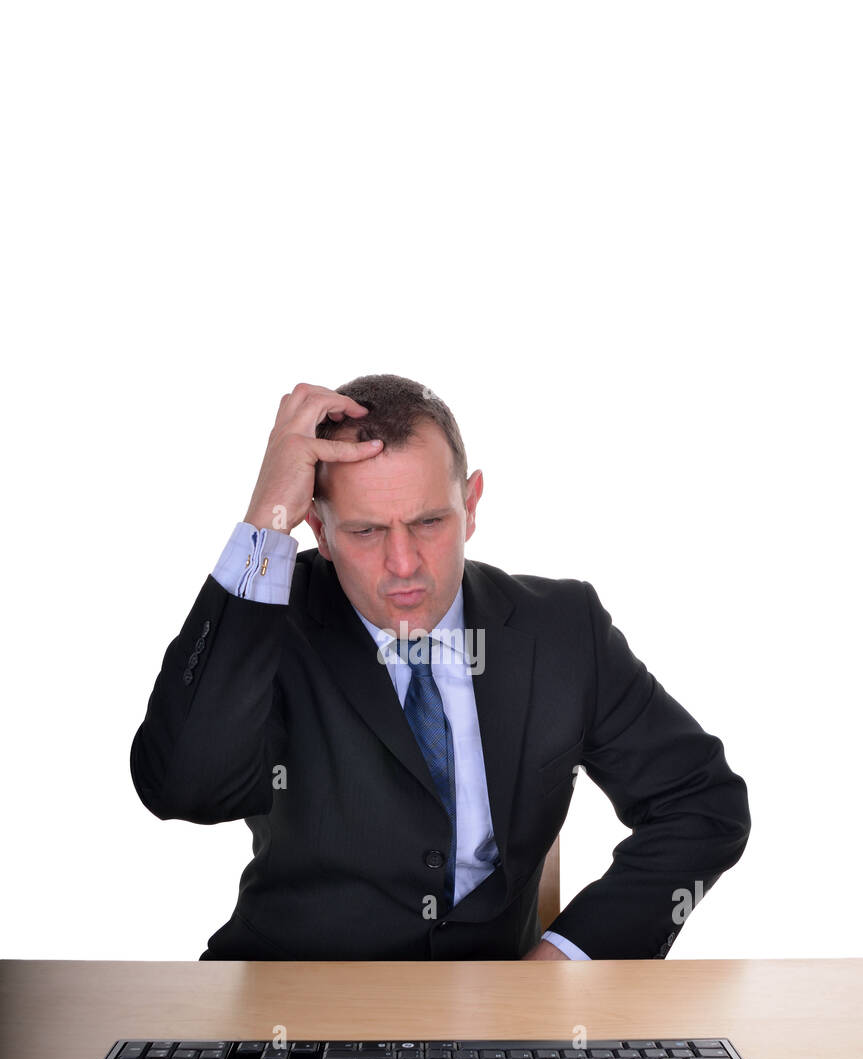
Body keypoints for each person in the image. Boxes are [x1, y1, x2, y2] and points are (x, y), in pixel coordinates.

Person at [130, 374, 750, 961]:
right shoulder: (269, 620)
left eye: (429, 522)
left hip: (495, 1023)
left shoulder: (564, 628)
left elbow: (702, 804)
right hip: (290, 1008)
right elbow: (184, 788)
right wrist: (265, 519)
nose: (404, 564)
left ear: (471, 504)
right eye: (367, 530)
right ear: (318, 528)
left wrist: (568, 958)